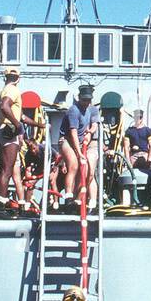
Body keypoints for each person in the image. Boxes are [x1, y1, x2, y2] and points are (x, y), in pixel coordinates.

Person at [58, 84, 100, 213]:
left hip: (83, 141)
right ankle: (69, 197)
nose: (86, 103)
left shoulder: (92, 109)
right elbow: (73, 133)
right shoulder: (73, 110)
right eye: (84, 100)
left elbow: (94, 125)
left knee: (88, 172)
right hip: (67, 140)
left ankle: (80, 199)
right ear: (79, 98)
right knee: (74, 165)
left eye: (88, 100)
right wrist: (79, 152)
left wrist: (89, 133)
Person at [0, 68, 25, 217]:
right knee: (7, 170)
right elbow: (5, 106)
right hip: (8, 131)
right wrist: (17, 125)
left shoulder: (3, 89)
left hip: (0, 129)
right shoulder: (12, 89)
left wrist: (40, 125)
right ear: (18, 79)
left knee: (3, 170)